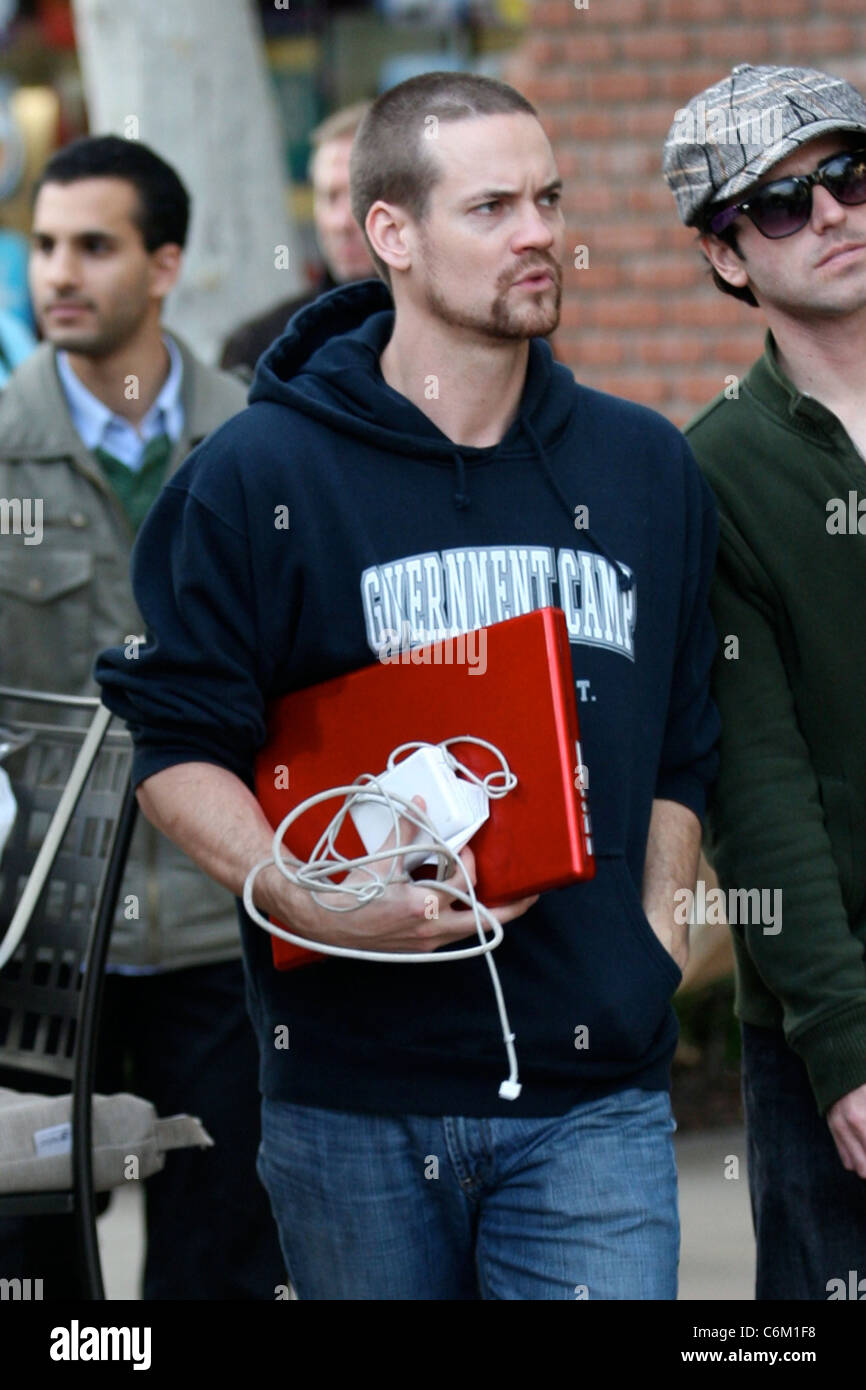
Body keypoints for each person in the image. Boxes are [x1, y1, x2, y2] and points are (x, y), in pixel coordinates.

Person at [97, 72, 719, 1301]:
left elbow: (684, 744)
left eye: (546, 198)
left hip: (593, 1093)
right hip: (350, 1099)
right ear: (391, 234)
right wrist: (303, 895)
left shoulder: (643, 466)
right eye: (491, 207)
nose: (539, 231)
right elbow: (173, 747)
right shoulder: (254, 474)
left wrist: (651, 946)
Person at [0, 134, 283, 1299]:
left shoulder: (260, 442)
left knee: (219, 1254)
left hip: (221, 923)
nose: (58, 273)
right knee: (30, 1256)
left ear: (163, 265)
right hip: (35, 940)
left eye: (95, 246)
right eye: (46, 245)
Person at [663, 63, 866, 1300]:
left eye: (847, 176)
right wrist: (842, 1047)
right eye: (780, 203)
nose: (831, 212)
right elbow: (758, 786)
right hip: (835, 1013)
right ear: (726, 255)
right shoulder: (713, 473)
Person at [219, 102, 374, 375]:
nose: (341, 222)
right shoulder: (262, 349)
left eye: (359, 196)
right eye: (330, 197)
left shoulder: (451, 337)